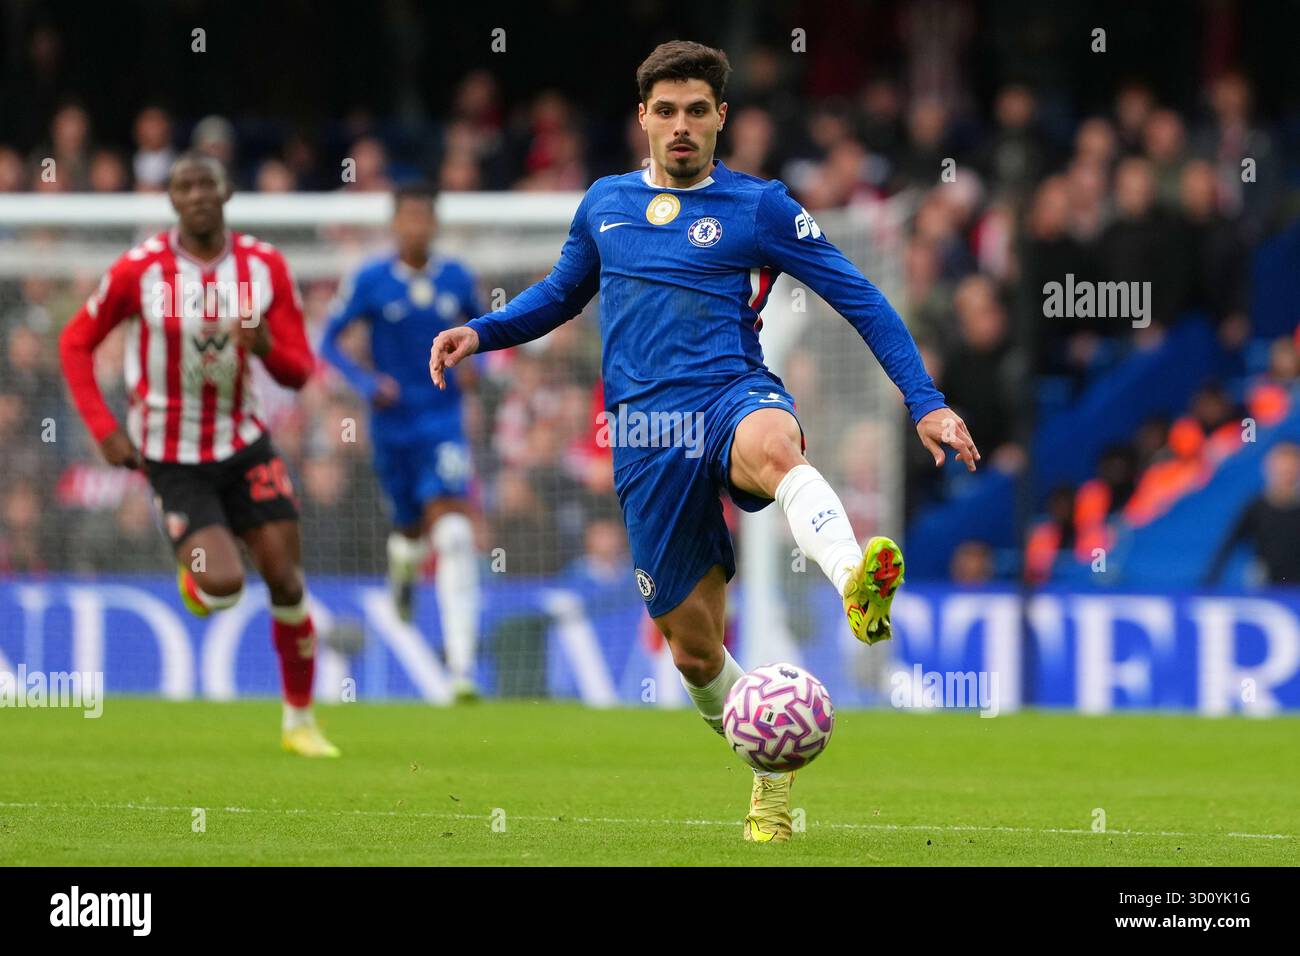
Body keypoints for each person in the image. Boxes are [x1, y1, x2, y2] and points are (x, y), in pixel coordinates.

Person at [429, 41, 978, 842]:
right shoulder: (605, 204)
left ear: (722, 118)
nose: (680, 126)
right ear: (642, 118)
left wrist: (924, 402)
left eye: (696, 111)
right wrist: (479, 333)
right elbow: (558, 295)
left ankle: (856, 580)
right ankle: (771, 777)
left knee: (779, 449)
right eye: (666, 111)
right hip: (647, 436)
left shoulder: (761, 208)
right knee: (694, 653)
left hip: (731, 397)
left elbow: (859, 296)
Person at [59, 152, 340, 757]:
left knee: (287, 582)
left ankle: (300, 722)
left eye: (206, 183)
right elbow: (75, 341)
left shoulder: (264, 267)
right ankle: (200, 577)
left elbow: (298, 371)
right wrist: (104, 428)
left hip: (244, 444)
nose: (196, 195)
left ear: (226, 190)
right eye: (183, 186)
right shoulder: (141, 270)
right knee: (226, 587)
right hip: (171, 455)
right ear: (171, 200)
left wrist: (264, 344)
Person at [320, 182, 483, 701]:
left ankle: (460, 669)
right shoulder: (370, 280)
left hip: (443, 422)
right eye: (407, 218)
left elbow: (488, 329)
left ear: (434, 224)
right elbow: (327, 340)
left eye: (424, 218)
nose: (416, 228)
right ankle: (403, 580)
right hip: (392, 430)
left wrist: (478, 362)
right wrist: (368, 384)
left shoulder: (456, 278)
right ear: (395, 225)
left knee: (455, 535)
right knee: (408, 535)